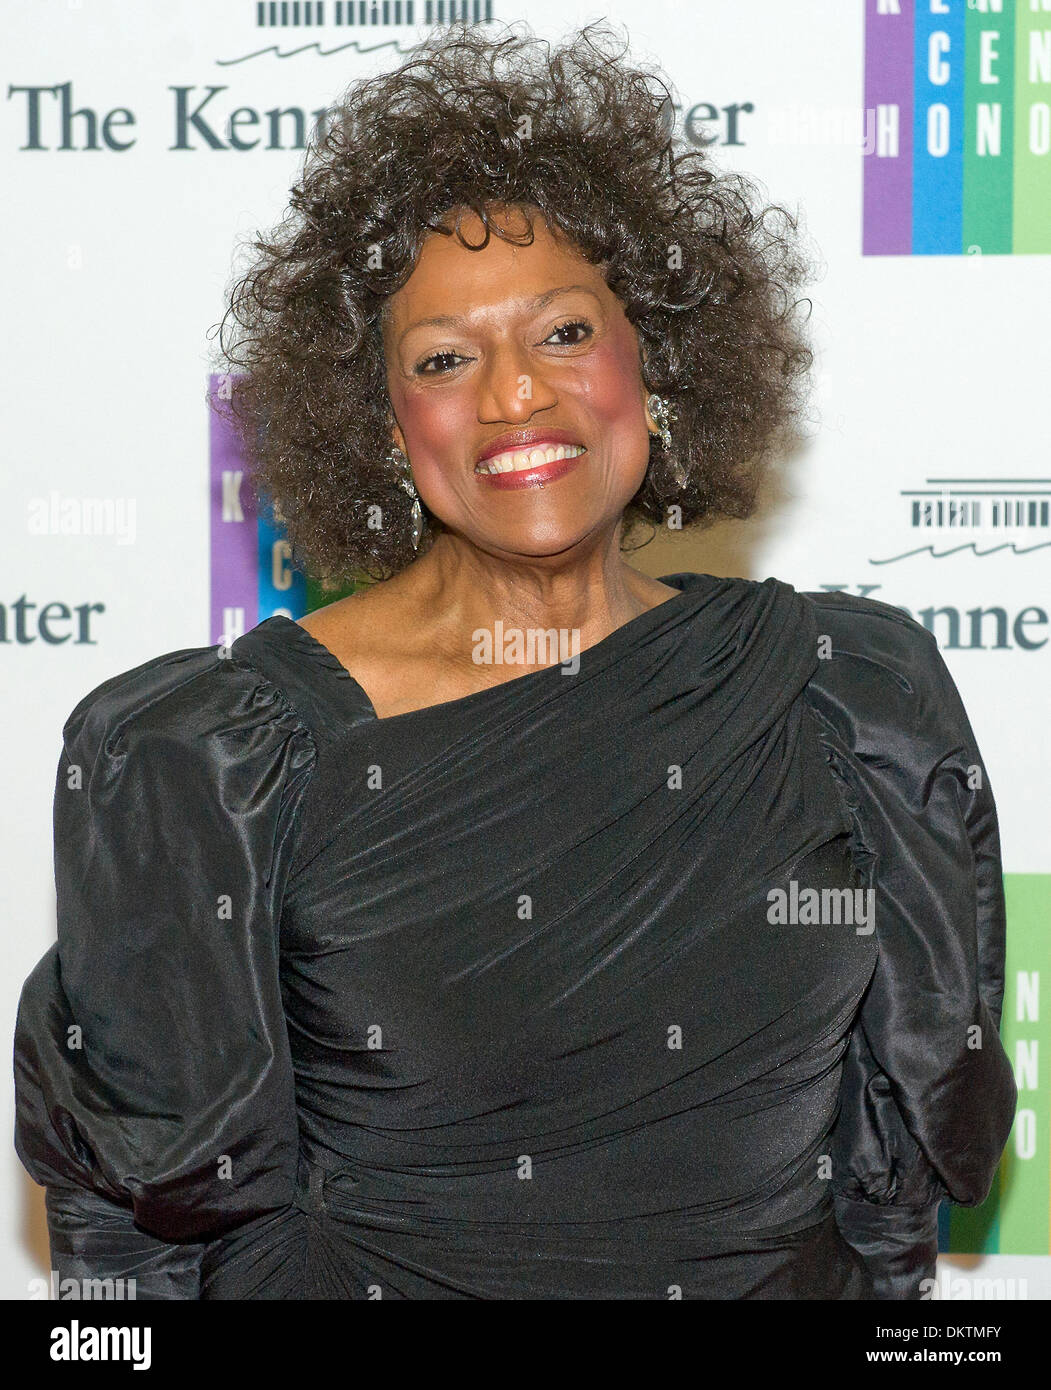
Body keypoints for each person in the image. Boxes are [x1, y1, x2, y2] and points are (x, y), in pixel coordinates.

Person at [14, 22, 1015, 1300]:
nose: (514, 398)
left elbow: (889, 1190)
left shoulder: (841, 689)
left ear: (651, 360)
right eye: (444, 360)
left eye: (559, 333)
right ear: (382, 423)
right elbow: (133, 1249)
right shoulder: (207, 760)